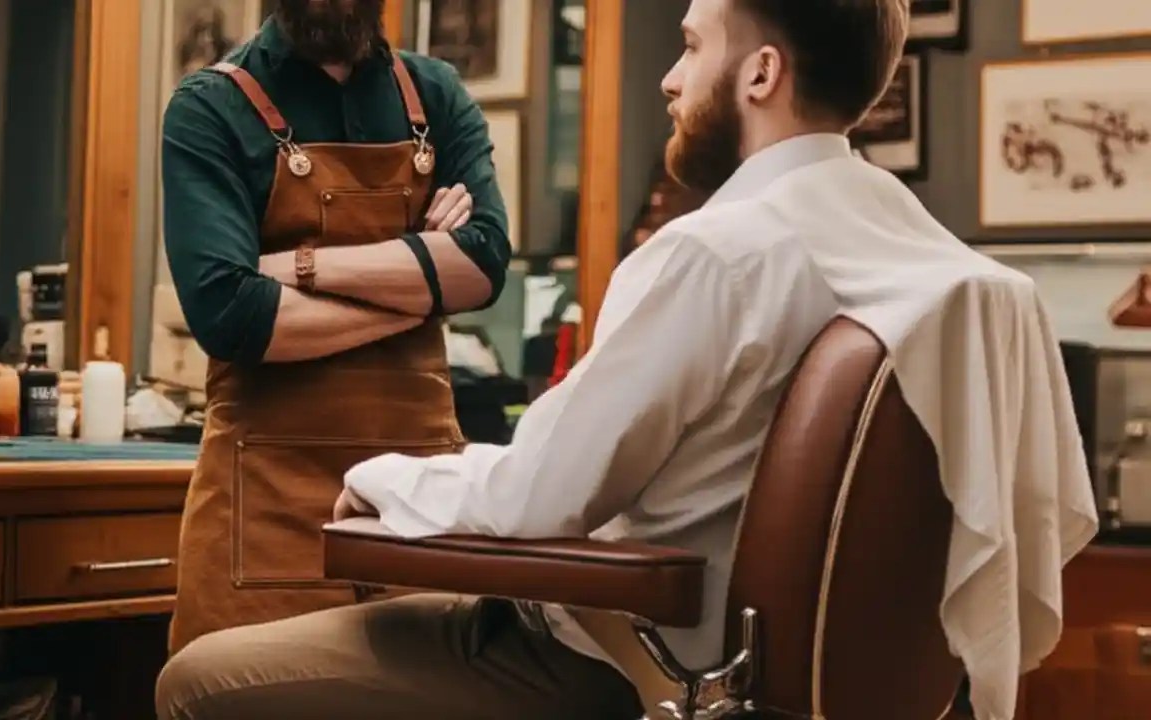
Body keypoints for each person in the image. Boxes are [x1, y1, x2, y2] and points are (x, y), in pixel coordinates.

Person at [156, 0, 1097, 718]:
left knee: (194, 682)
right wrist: (426, 280)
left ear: (762, 73)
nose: (669, 79)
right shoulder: (954, 272)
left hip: (621, 656)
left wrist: (382, 481)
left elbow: (540, 499)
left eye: (691, 46)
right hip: (775, 668)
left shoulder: (714, 254)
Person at [159, 0, 510, 657]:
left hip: (416, 504)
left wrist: (299, 267)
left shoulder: (436, 94)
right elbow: (234, 317)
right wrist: (422, 288)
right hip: (264, 512)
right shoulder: (210, 108)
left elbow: (486, 265)